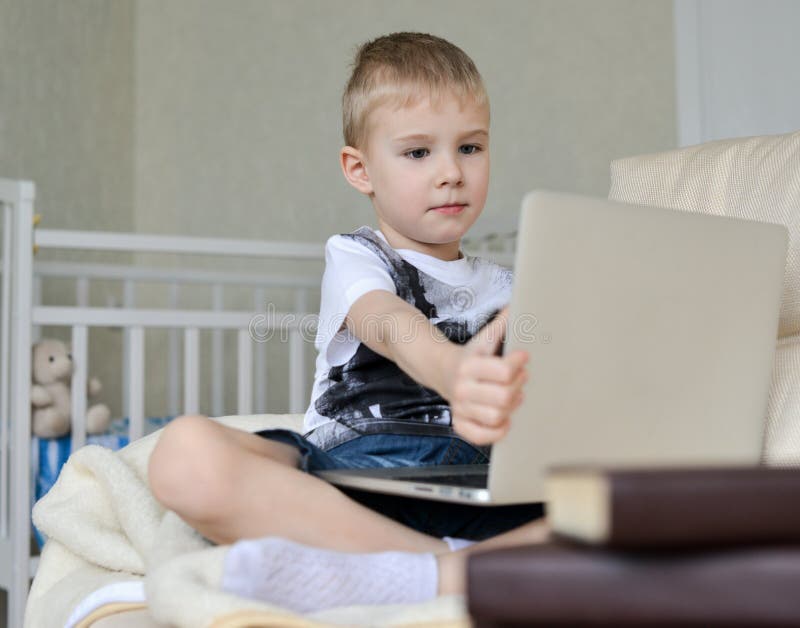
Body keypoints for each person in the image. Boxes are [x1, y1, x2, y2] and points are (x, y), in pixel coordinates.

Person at [148, 31, 548, 614]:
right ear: (360, 170)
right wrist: (453, 368)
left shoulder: (514, 288)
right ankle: (446, 572)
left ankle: (412, 571)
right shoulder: (357, 254)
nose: (451, 173)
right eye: (418, 152)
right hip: (351, 480)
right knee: (184, 454)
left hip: (477, 489)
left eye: (470, 148)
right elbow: (387, 322)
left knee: (647, 506)